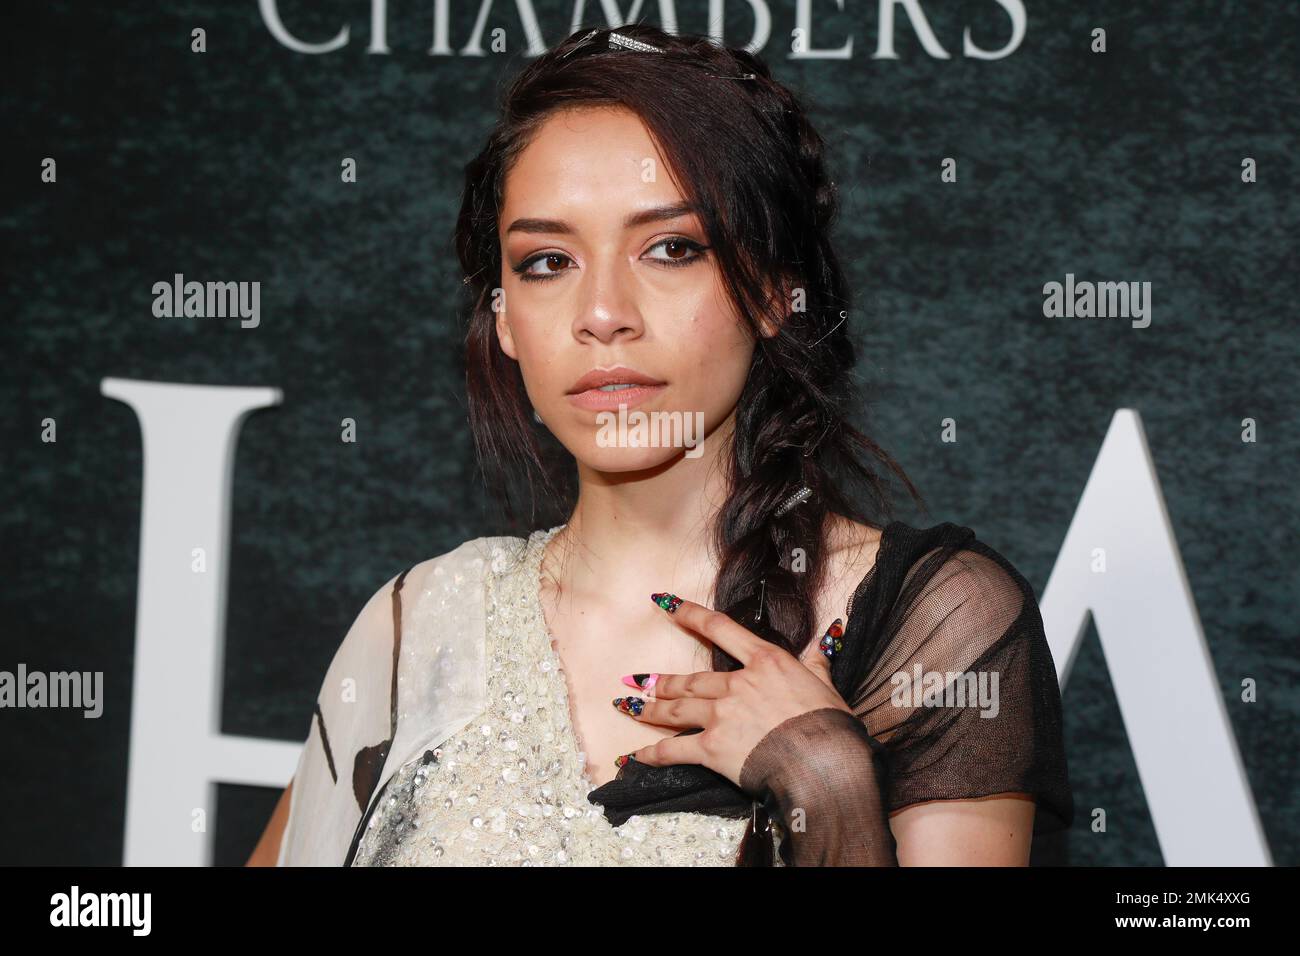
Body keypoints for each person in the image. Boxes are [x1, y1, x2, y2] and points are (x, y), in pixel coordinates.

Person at [248, 24, 1072, 867]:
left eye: (671, 248)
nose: (602, 312)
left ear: (771, 291)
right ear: (502, 317)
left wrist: (824, 781)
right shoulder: (420, 620)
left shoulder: (935, 624)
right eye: (546, 262)